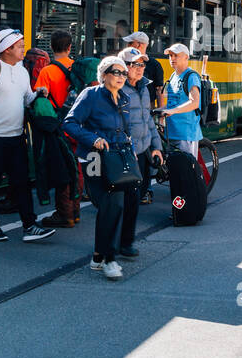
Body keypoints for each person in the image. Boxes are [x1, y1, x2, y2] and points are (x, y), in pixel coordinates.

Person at [0, 29, 57, 243]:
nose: (24, 49)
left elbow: (26, 99)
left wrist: (38, 94)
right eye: (20, 46)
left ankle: (30, 225)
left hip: (17, 136)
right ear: (7, 48)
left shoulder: (23, 71)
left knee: (22, 183)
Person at [63, 55, 140, 280]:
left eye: (124, 73)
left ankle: (104, 257)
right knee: (108, 204)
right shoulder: (91, 95)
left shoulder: (125, 98)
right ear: (104, 74)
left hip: (117, 159)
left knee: (113, 204)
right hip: (93, 159)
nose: (121, 77)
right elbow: (69, 123)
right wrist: (92, 138)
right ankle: (105, 257)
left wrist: (131, 147)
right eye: (116, 72)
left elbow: (126, 130)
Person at [36, 30, 81, 228]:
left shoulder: (47, 71)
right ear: (70, 47)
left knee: (62, 168)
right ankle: (76, 210)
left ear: (51, 47)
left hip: (58, 125)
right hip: (79, 124)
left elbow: (39, 98)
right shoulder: (78, 68)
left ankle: (65, 213)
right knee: (77, 168)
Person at [118, 45, 164, 205]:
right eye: (135, 64)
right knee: (125, 199)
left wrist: (157, 147)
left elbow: (149, 121)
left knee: (140, 192)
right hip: (126, 154)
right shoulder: (117, 89)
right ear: (123, 67)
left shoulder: (144, 88)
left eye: (142, 64)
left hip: (144, 151)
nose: (140, 69)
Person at [161, 43, 202, 157]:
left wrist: (173, 111)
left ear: (186, 57)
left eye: (176, 55)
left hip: (186, 134)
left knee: (186, 169)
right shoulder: (173, 76)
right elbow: (172, 104)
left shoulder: (191, 76)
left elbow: (194, 102)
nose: (172, 58)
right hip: (171, 133)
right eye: (170, 56)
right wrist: (159, 110)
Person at [123, 30, 164, 102]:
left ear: (140, 45)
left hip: (147, 107)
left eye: (130, 43)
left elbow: (159, 90)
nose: (127, 45)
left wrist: (160, 111)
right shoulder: (123, 59)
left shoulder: (154, 64)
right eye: (136, 65)